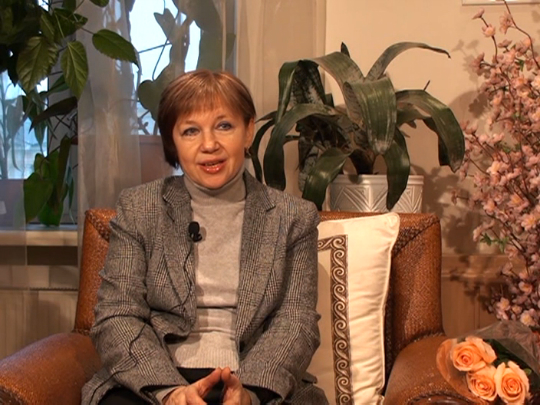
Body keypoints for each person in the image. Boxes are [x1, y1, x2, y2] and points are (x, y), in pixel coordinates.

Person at [81, 69, 327, 405]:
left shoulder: (293, 217)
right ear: (173, 141)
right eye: (190, 131)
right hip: (157, 377)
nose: (209, 145)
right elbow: (117, 314)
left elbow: (296, 321)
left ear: (248, 130)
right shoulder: (140, 208)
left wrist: (249, 394)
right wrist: (170, 393)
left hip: (254, 378)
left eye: (224, 126)